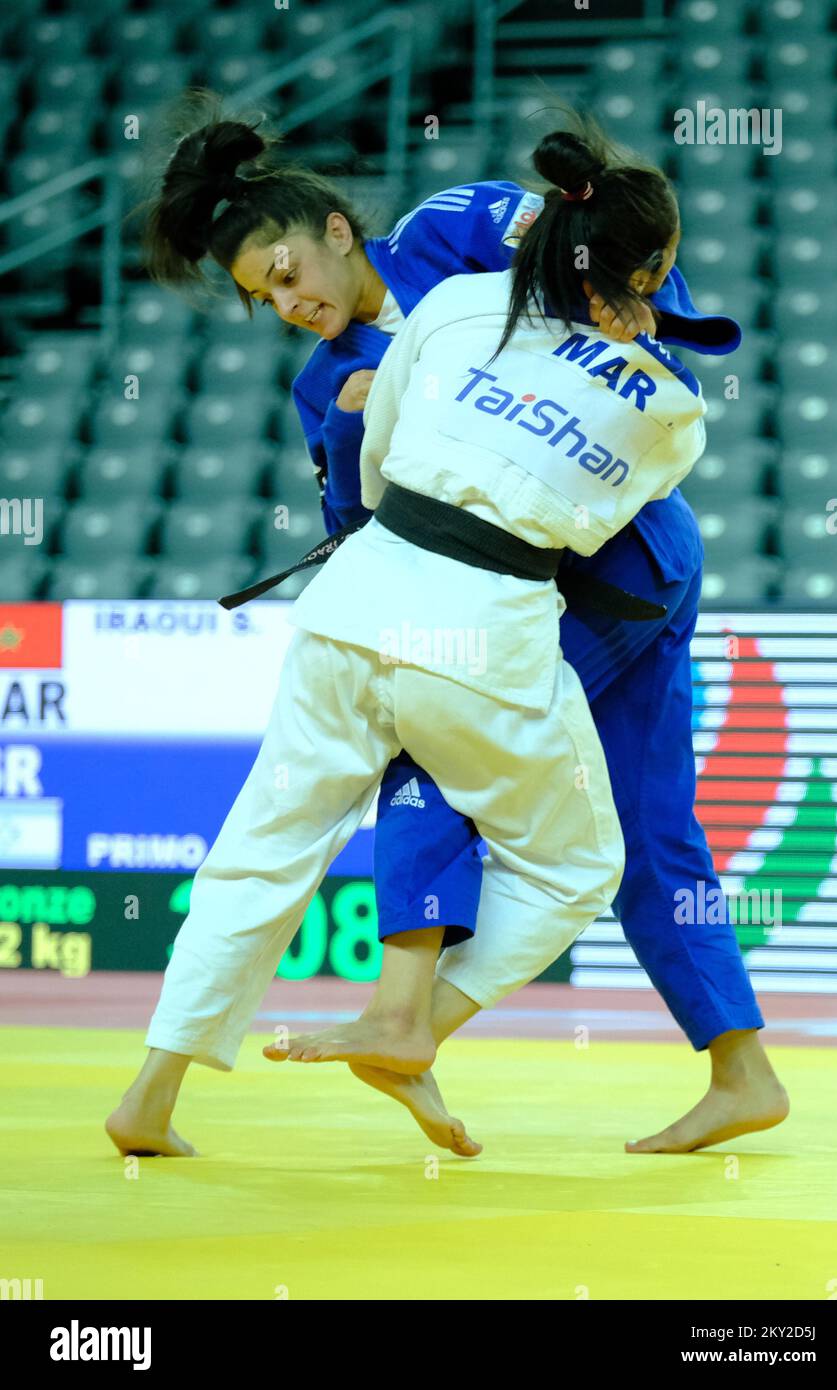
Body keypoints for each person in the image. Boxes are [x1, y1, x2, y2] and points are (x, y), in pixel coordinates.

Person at [106, 102, 787, 1158]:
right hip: (486, 592)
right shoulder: (322, 383)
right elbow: (355, 530)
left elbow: (604, 229)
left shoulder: (450, 231)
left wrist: (639, 320)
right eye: (264, 298)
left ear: (336, 227)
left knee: (442, 757)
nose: (291, 303)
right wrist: (350, 417)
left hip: (620, 563)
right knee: (635, 821)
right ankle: (739, 1070)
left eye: (287, 271)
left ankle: (403, 1021)